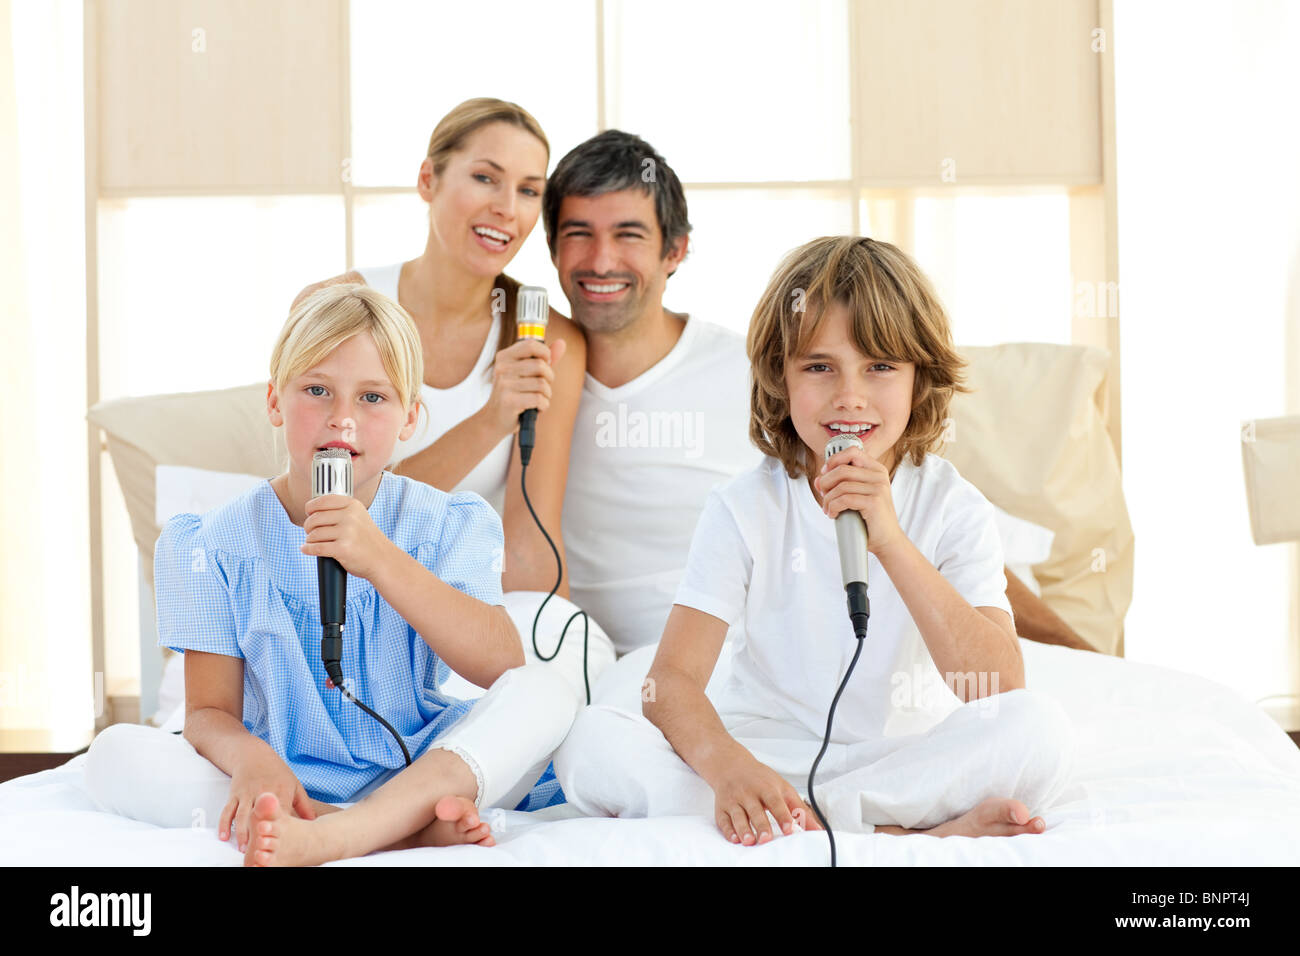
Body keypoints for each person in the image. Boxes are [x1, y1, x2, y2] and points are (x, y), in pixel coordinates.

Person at [554, 236, 1076, 843]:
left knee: (1040, 732)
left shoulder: (953, 507)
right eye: (819, 366)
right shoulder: (744, 507)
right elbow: (669, 683)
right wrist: (728, 768)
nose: (849, 395)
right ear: (781, 376)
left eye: (880, 366)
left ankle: (804, 824)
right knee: (588, 740)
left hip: (900, 760)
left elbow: (995, 686)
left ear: (919, 378)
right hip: (768, 754)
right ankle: (881, 830)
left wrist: (892, 543)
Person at [545, 131, 1092, 663]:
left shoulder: (771, 378)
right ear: (550, 247)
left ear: (675, 250)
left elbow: (943, 533)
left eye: (629, 234)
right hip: (609, 659)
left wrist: (1076, 649)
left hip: (762, 654)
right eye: (577, 234)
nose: (601, 260)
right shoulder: (529, 381)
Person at [85, 283, 578, 865]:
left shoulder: (447, 522)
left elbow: (500, 664)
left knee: (548, 693)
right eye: (317, 390)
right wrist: (250, 761)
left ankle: (335, 833)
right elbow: (209, 713)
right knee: (114, 755)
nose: (342, 419)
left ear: (410, 418)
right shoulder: (211, 542)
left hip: (421, 763)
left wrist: (379, 558)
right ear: (274, 402)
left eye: (373, 398)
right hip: (282, 775)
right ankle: (397, 830)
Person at [294, 99, 616, 696]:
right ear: (428, 180)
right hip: (351, 588)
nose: (505, 207)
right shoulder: (337, 309)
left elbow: (530, 540)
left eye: (527, 190)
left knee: (557, 677)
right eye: (485, 177)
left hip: (473, 608)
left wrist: (541, 646)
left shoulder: (547, 341)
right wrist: (493, 417)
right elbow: (335, 503)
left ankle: (462, 770)